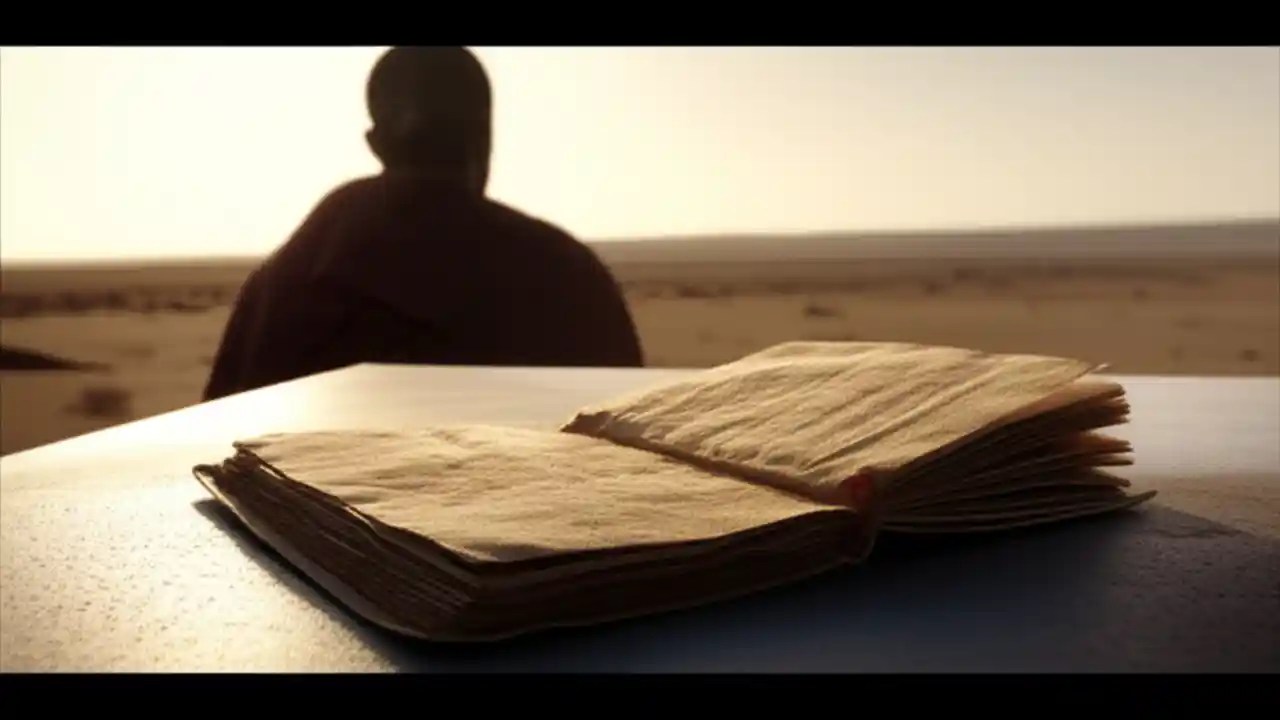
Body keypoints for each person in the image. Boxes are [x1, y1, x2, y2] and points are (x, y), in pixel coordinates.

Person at [203, 46, 643, 401]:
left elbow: (207, 462)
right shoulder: (566, 276)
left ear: (376, 143)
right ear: (483, 136)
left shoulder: (278, 286)